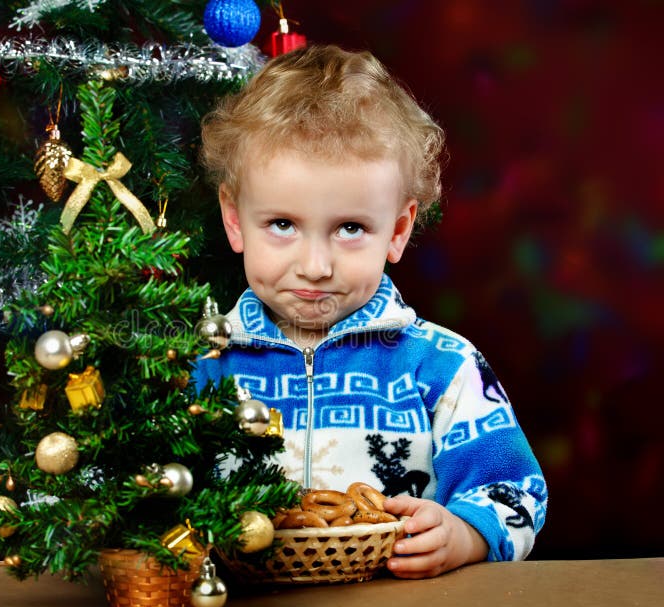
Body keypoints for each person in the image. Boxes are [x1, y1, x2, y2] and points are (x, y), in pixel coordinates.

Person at [194, 45, 547, 579]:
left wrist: (465, 534)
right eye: (282, 224)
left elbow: (516, 490)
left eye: (350, 228)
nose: (314, 266)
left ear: (398, 230)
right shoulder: (201, 363)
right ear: (235, 219)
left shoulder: (441, 366)